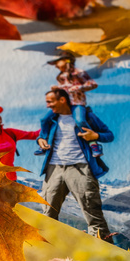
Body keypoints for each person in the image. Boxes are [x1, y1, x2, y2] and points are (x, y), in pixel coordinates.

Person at [36, 88, 114, 239]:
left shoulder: (86, 117)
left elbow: (109, 135)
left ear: (62, 100)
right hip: (54, 168)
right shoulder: (51, 120)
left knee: (93, 214)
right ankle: (48, 248)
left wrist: (95, 135)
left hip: (80, 168)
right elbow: (42, 136)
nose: (47, 106)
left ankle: (105, 254)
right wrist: (40, 140)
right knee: (48, 212)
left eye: (50, 102)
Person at [45, 53, 101, 157]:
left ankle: (93, 144)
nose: (56, 66)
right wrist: (57, 89)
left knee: (80, 120)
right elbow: (63, 90)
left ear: (67, 60)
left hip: (76, 103)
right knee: (45, 119)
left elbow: (92, 84)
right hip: (63, 105)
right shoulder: (61, 76)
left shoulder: (78, 72)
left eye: (57, 63)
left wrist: (79, 87)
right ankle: (44, 142)